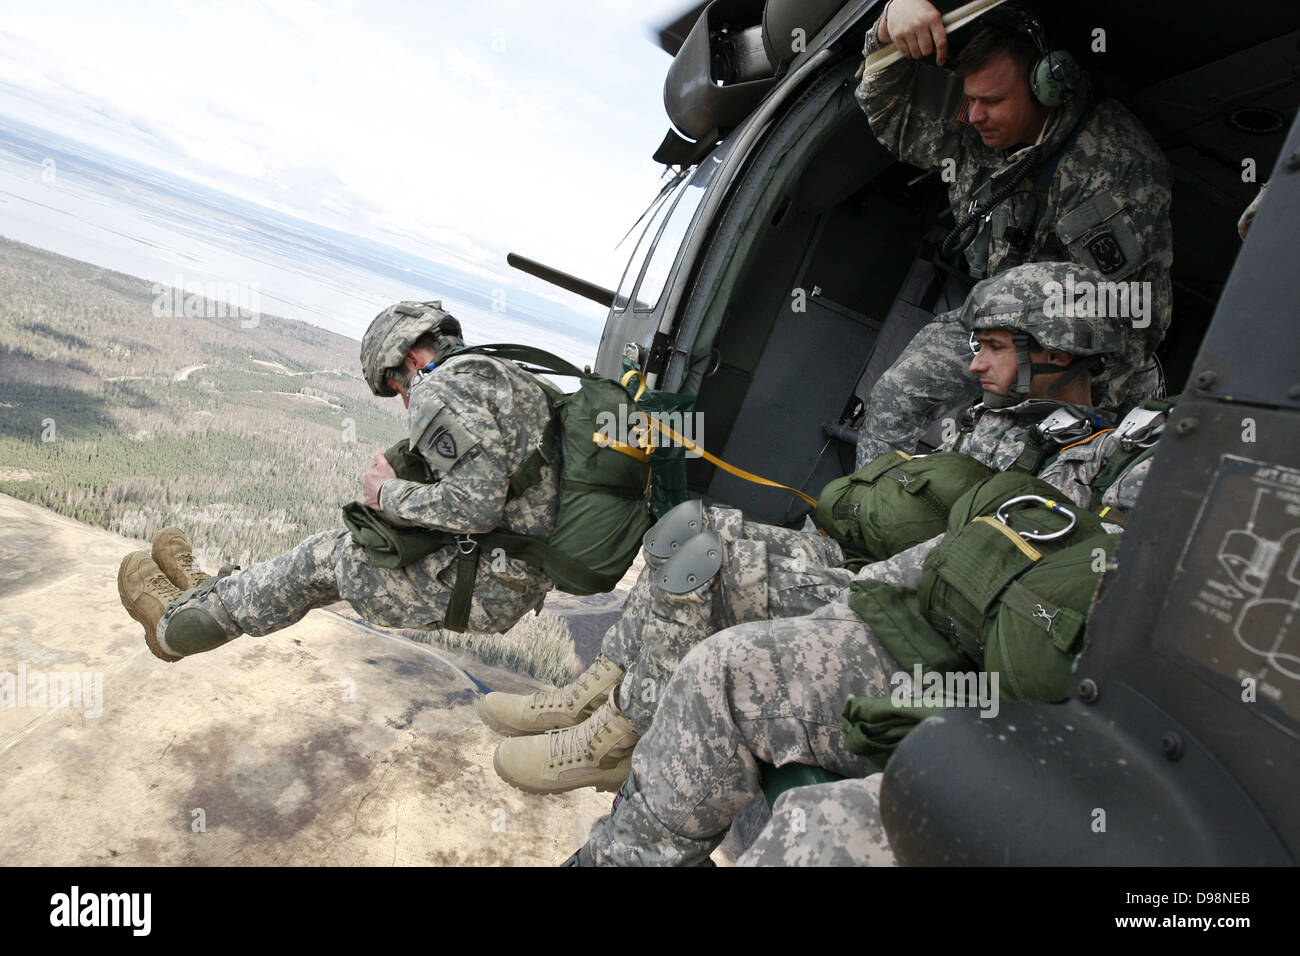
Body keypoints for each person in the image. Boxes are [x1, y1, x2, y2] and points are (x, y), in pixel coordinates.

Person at [484, 261, 1131, 797]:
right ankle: (598, 700)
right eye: (977, 347)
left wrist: (846, 583)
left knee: (706, 559)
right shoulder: (995, 420)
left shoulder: (1081, 466)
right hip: (866, 568)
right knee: (687, 528)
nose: (973, 367)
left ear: (1055, 351)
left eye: (992, 349)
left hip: (903, 611)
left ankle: (612, 741)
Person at [117, 300, 561, 662]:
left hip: (489, 587)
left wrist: (384, 493)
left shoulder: (437, 388)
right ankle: (209, 596)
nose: (407, 402)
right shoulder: (501, 374)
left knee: (325, 556)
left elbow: (474, 509)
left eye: (398, 389)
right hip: (513, 573)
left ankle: (177, 628)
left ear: (409, 358)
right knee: (345, 558)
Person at [854, 0, 1173, 467]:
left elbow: (1111, 314)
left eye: (994, 101)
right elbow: (889, 113)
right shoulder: (979, 128)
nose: (976, 115)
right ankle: (868, 509)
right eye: (971, 100)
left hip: (1089, 350)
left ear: (1046, 90)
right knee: (897, 394)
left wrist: (1007, 369)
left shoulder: (1114, 167)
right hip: (997, 318)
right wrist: (887, 25)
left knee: (1024, 455)